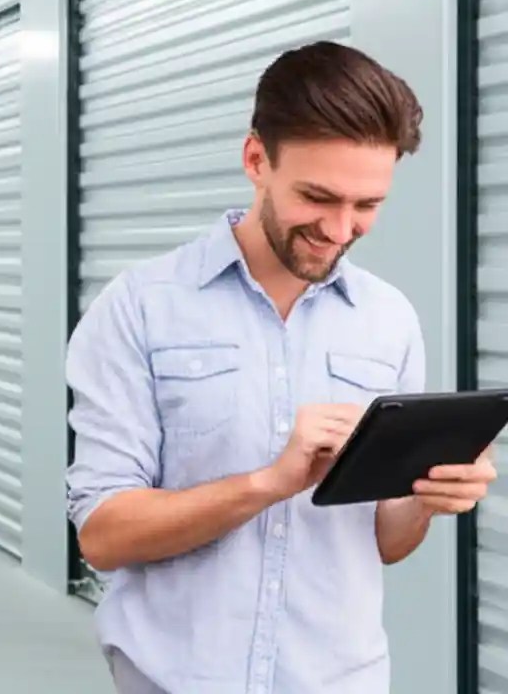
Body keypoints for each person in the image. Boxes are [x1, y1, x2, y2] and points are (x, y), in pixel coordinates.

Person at [63, 40, 498, 694]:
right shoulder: (139, 308)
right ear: (256, 160)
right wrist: (271, 481)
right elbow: (103, 536)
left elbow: (381, 539)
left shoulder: (390, 319)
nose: (340, 227)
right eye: (318, 197)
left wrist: (429, 501)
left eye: (367, 205)